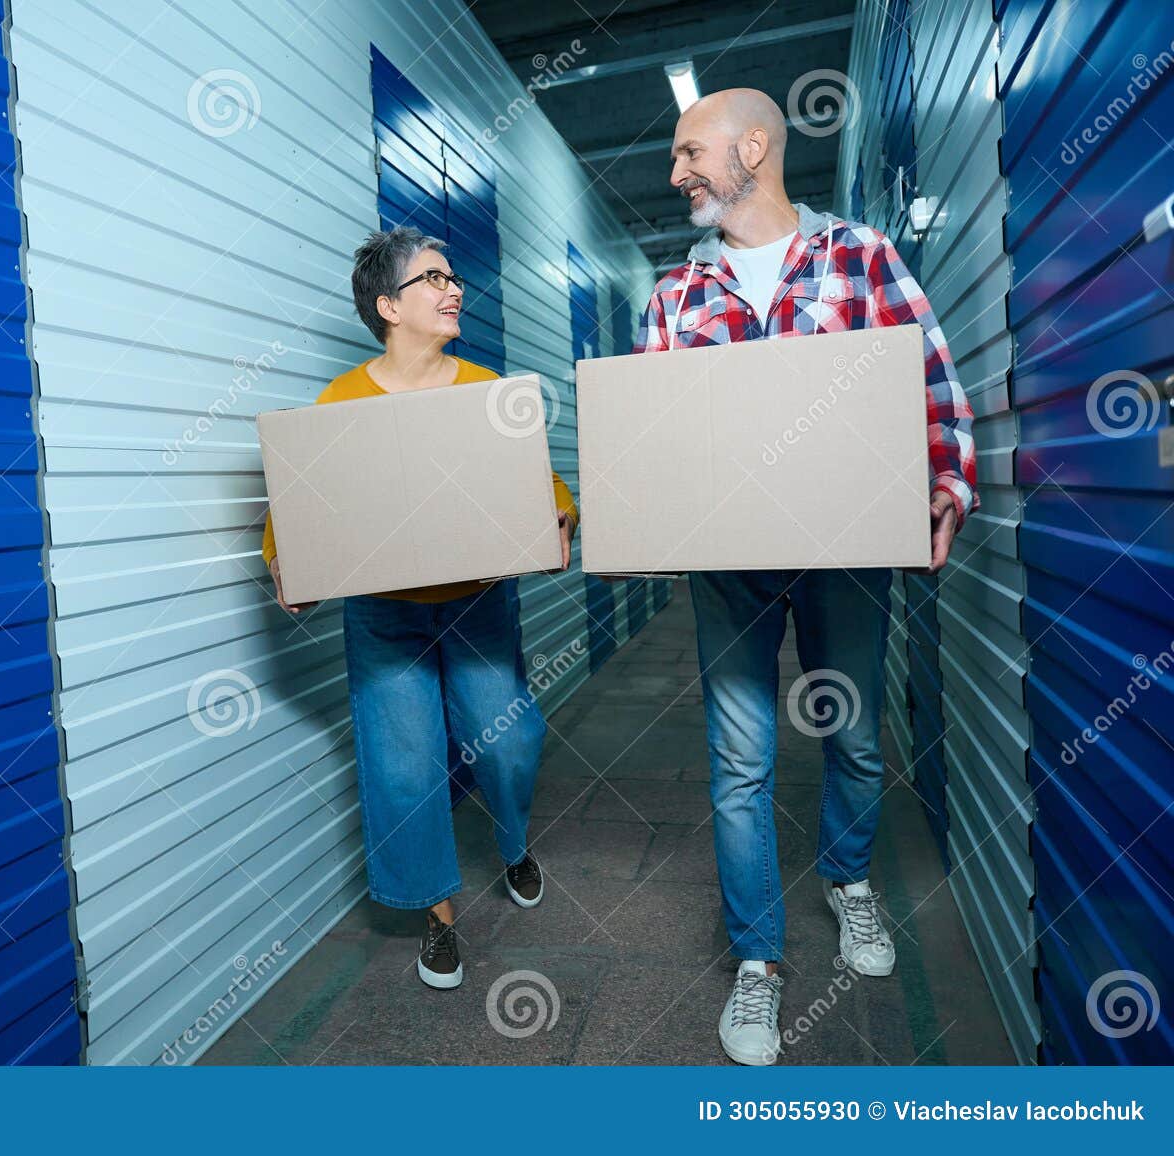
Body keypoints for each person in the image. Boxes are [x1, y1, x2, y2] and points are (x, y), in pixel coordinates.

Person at [633, 89, 978, 1065]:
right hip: (729, 564)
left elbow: (934, 380)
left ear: (754, 147)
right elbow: (649, 437)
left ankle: (849, 880)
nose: (675, 172)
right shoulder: (672, 296)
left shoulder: (859, 258)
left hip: (846, 550)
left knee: (856, 734)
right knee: (738, 761)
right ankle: (758, 961)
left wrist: (945, 486)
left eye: (688, 150)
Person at [260, 226, 577, 990]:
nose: (453, 289)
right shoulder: (343, 400)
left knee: (507, 742)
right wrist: (286, 567)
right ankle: (437, 916)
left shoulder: (485, 389)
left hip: (476, 606)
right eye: (433, 279)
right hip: (384, 615)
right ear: (387, 306)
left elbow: (545, 492)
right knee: (403, 764)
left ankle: (511, 841)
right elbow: (300, 510)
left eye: (453, 277)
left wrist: (558, 521)